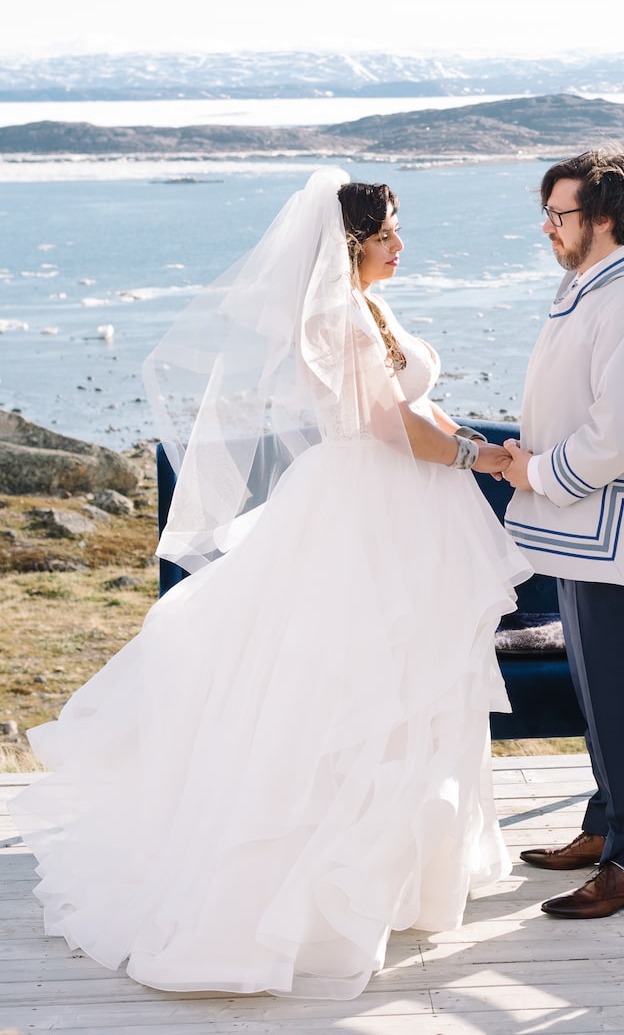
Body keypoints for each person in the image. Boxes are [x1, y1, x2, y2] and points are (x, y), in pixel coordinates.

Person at [12, 168, 529, 999]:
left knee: (407, 686)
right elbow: (387, 427)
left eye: (397, 231)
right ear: (349, 245)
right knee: (350, 688)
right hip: (363, 508)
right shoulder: (332, 314)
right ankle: (312, 896)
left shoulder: (368, 304)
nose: (401, 246)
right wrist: (481, 457)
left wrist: (476, 442)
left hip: (402, 508)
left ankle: (396, 879)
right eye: (387, 235)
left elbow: (415, 404)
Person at [501, 148, 624, 919]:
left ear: (603, 218)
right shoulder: (589, 291)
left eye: (561, 214)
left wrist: (537, 473)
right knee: (594, 688)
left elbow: (618, 437)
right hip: (579, 529)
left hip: (614, 527)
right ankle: (603, 823)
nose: (548, 228)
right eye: (546, 213)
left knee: (619, 694)